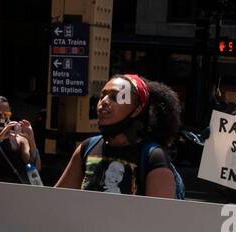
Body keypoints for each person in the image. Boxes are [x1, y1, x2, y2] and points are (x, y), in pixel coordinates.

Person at [55, 73, 183, 197]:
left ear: (137, 109)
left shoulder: (153, 157)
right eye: (102, 96)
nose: (103, 102)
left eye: (116, 97)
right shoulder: (86, 147)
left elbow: (161, 216)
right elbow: (57, 200)